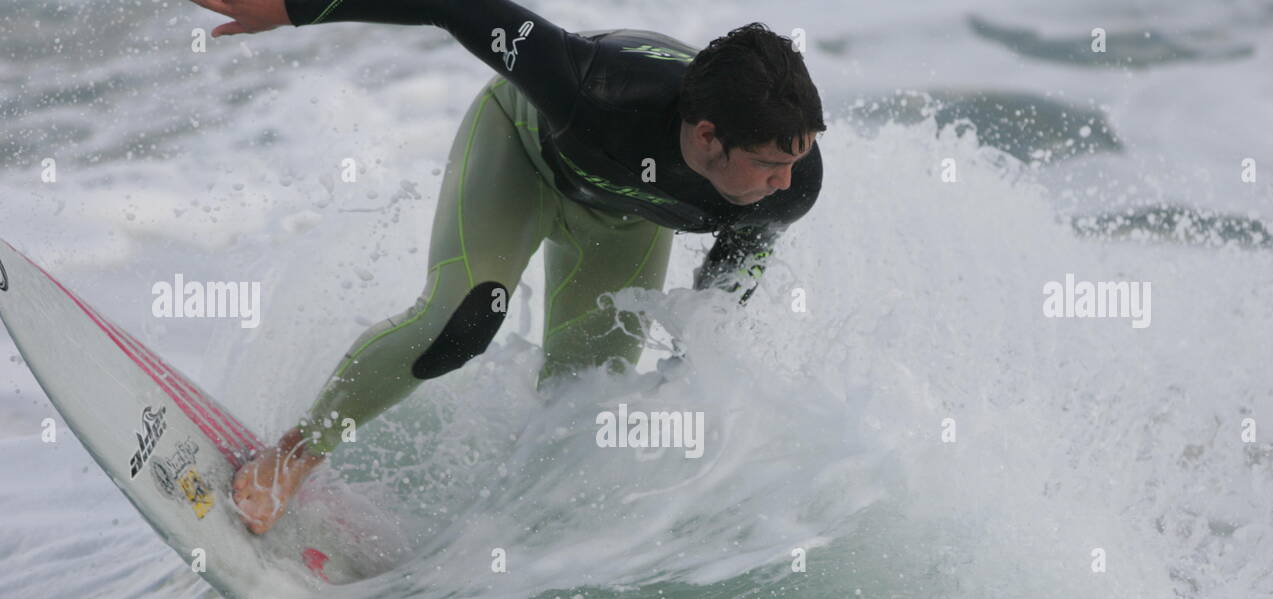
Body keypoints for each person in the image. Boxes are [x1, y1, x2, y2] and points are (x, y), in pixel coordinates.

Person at [188, 0, 825, 534]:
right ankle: (295, 453)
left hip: (622, 223)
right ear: (708, 136)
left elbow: (720, 299)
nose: (784, 181)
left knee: (582, 401)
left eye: (796, 161)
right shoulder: (594, 86)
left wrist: (694, 372)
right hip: (520, 154)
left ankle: (507, 531)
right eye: (769, 163)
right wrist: (294, 10)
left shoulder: (791, 182)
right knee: (459, 325)